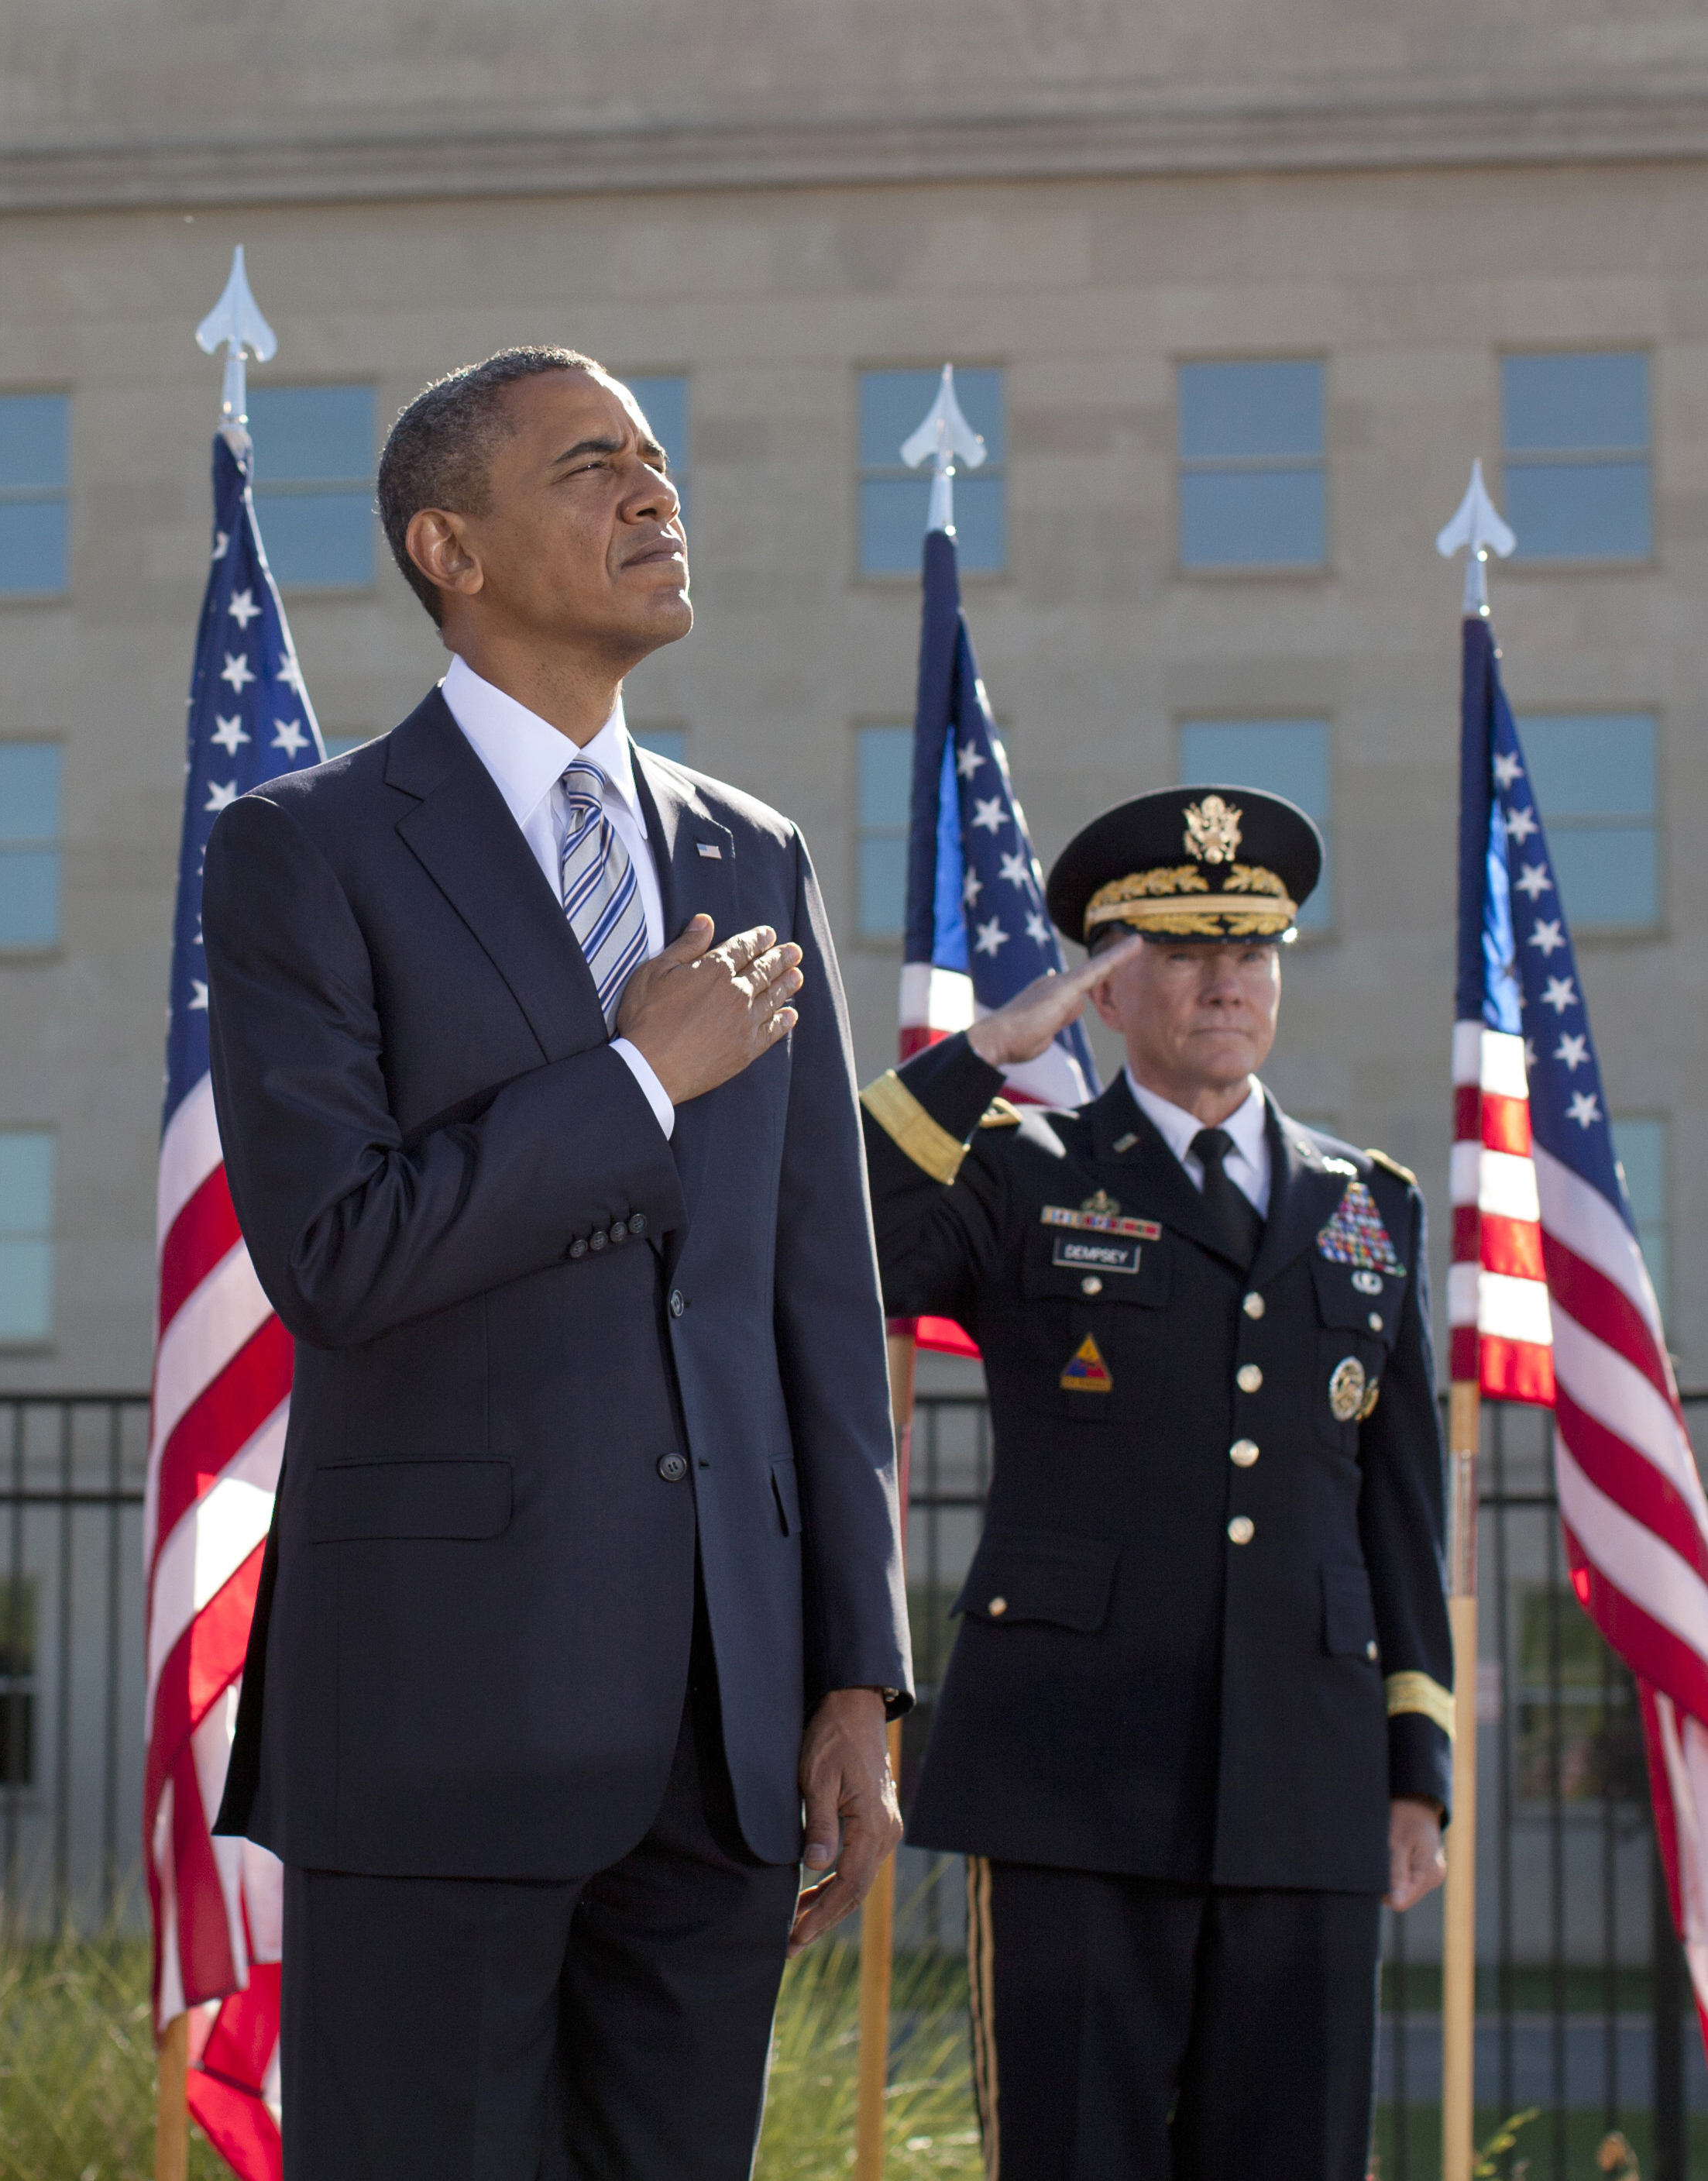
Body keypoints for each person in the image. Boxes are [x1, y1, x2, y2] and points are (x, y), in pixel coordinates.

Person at [199, 346, 912, 2179]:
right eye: (591, 465)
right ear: (447, 543)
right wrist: (628, 1081)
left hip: (724, 1730)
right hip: (442, 1718)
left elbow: (814, 1301)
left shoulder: (751, 856)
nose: (651, 497)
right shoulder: (302, 849)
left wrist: (851, 1672)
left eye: (656, 461)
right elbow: (338, 1255)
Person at [859, 784, 1449, 2181]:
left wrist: (1413, 1762)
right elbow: (830, 1238)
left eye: (1250, 954)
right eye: (1179, 956)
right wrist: (985, 1054)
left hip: (1306, 1784)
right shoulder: (1022, 1175)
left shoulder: (1368, 1203)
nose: (1224, 985)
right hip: (1073, 1773)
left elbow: (1397, 1507)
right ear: (1110, 993)